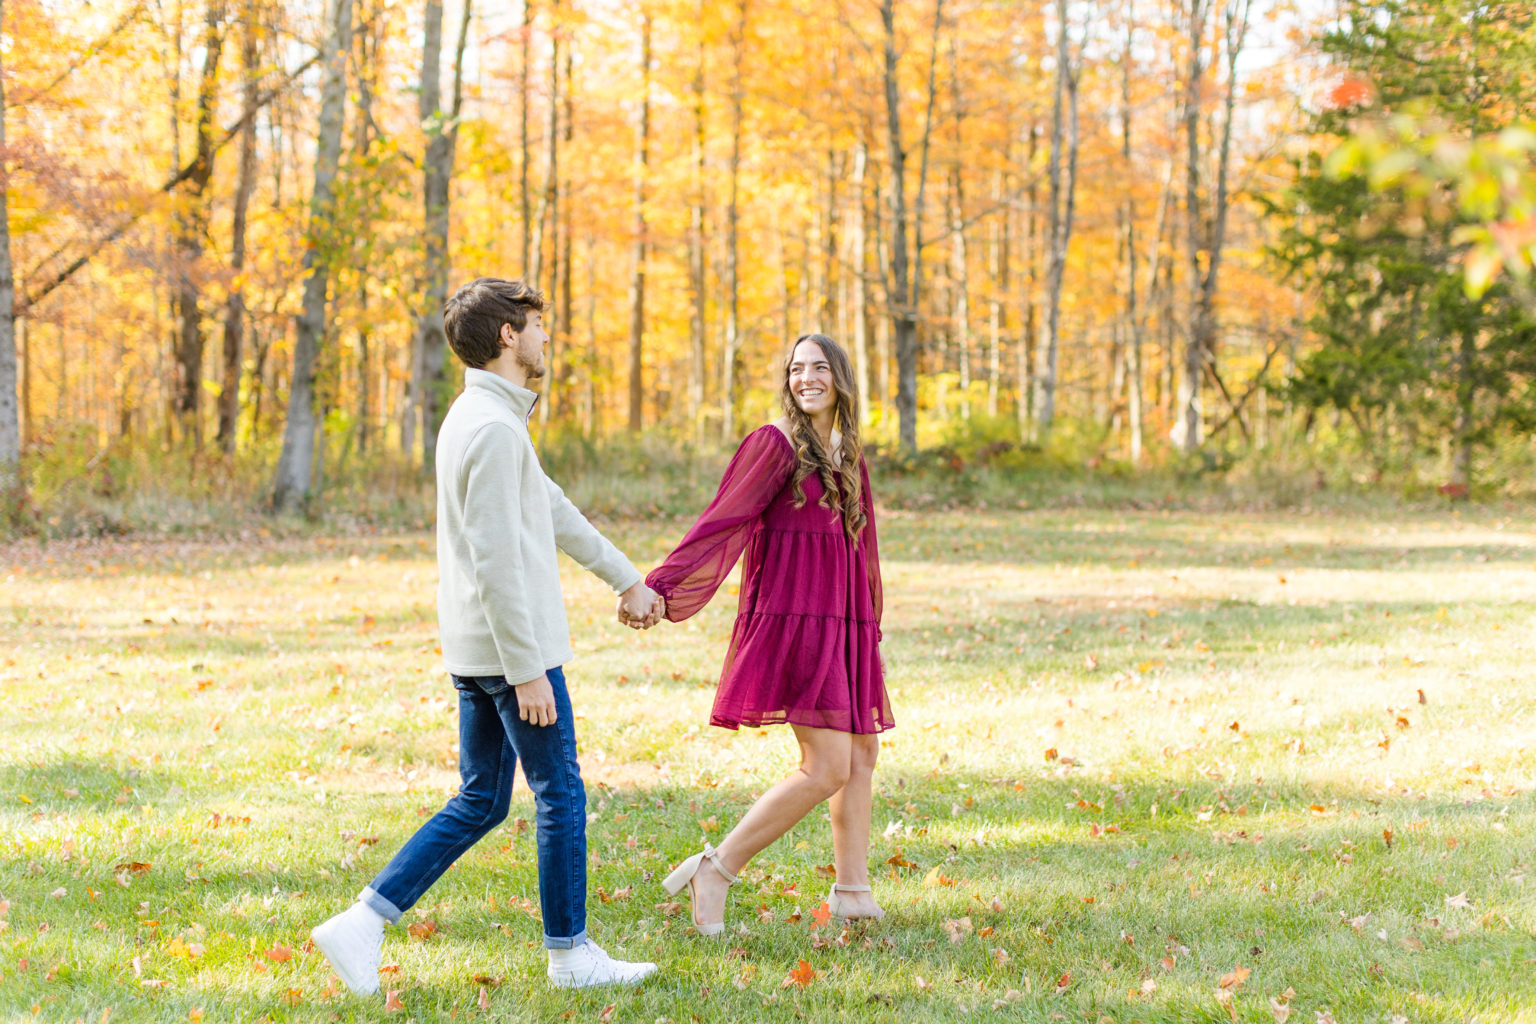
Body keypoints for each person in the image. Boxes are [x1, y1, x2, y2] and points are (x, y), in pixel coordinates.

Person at [310, 278, 664, 994]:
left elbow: (551, 509)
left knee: (481, 799)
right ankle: (570, 955)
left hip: (480, 649)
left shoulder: (482, 417)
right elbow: (496, 562)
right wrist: (527, 669)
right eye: (536, 325)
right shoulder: (495, 430)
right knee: (560, 794)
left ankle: (363, 922)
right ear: (508, 334)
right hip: (511, 653)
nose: (545, 337)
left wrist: (626, 577)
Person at [647, 333, 893, 936]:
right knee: (827, 766)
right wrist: (664, 585)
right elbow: (723, 518)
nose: (806, 378)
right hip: (794, 617)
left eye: (819, 367)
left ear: (841, 378)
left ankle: (853, 892)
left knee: (862, 753)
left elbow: (863, 546)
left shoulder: (847, 451)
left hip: (843, 618)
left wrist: (869, 625)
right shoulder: (775, 443)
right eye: (796, 368)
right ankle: (716, 868)